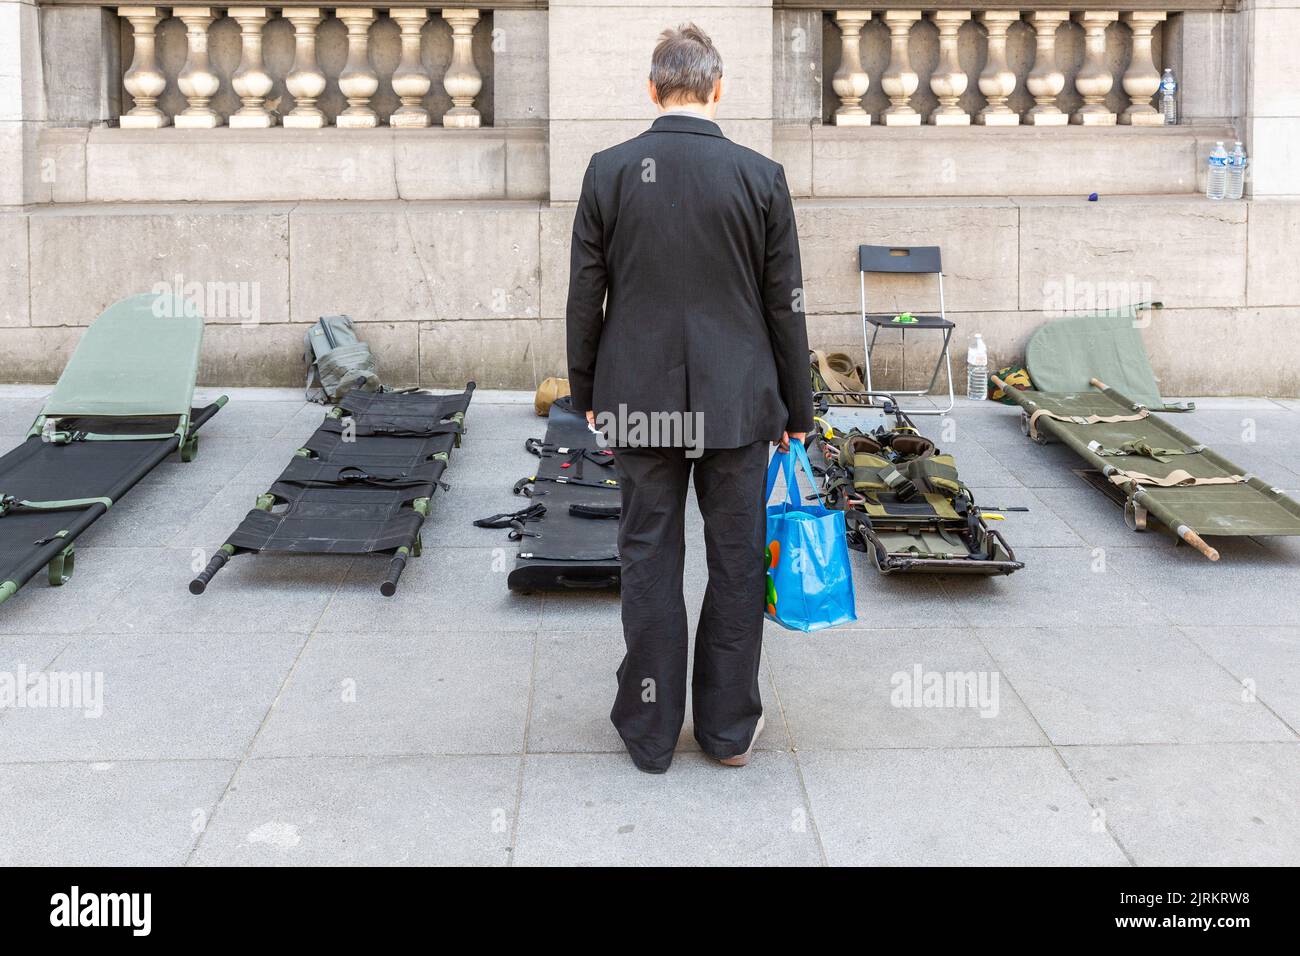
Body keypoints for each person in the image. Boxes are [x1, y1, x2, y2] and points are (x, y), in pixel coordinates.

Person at [565, 23, 812, 774]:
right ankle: (728, 731)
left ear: (651, 88)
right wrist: (799, 413)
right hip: (738, 405)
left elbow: (585, 298)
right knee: (737, 563)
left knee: (648, 559)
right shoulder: (760, 175)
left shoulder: (609, 171)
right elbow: (786, 306)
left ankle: (649, 731)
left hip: (639, 402)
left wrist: (587, 393)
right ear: (718, 87)